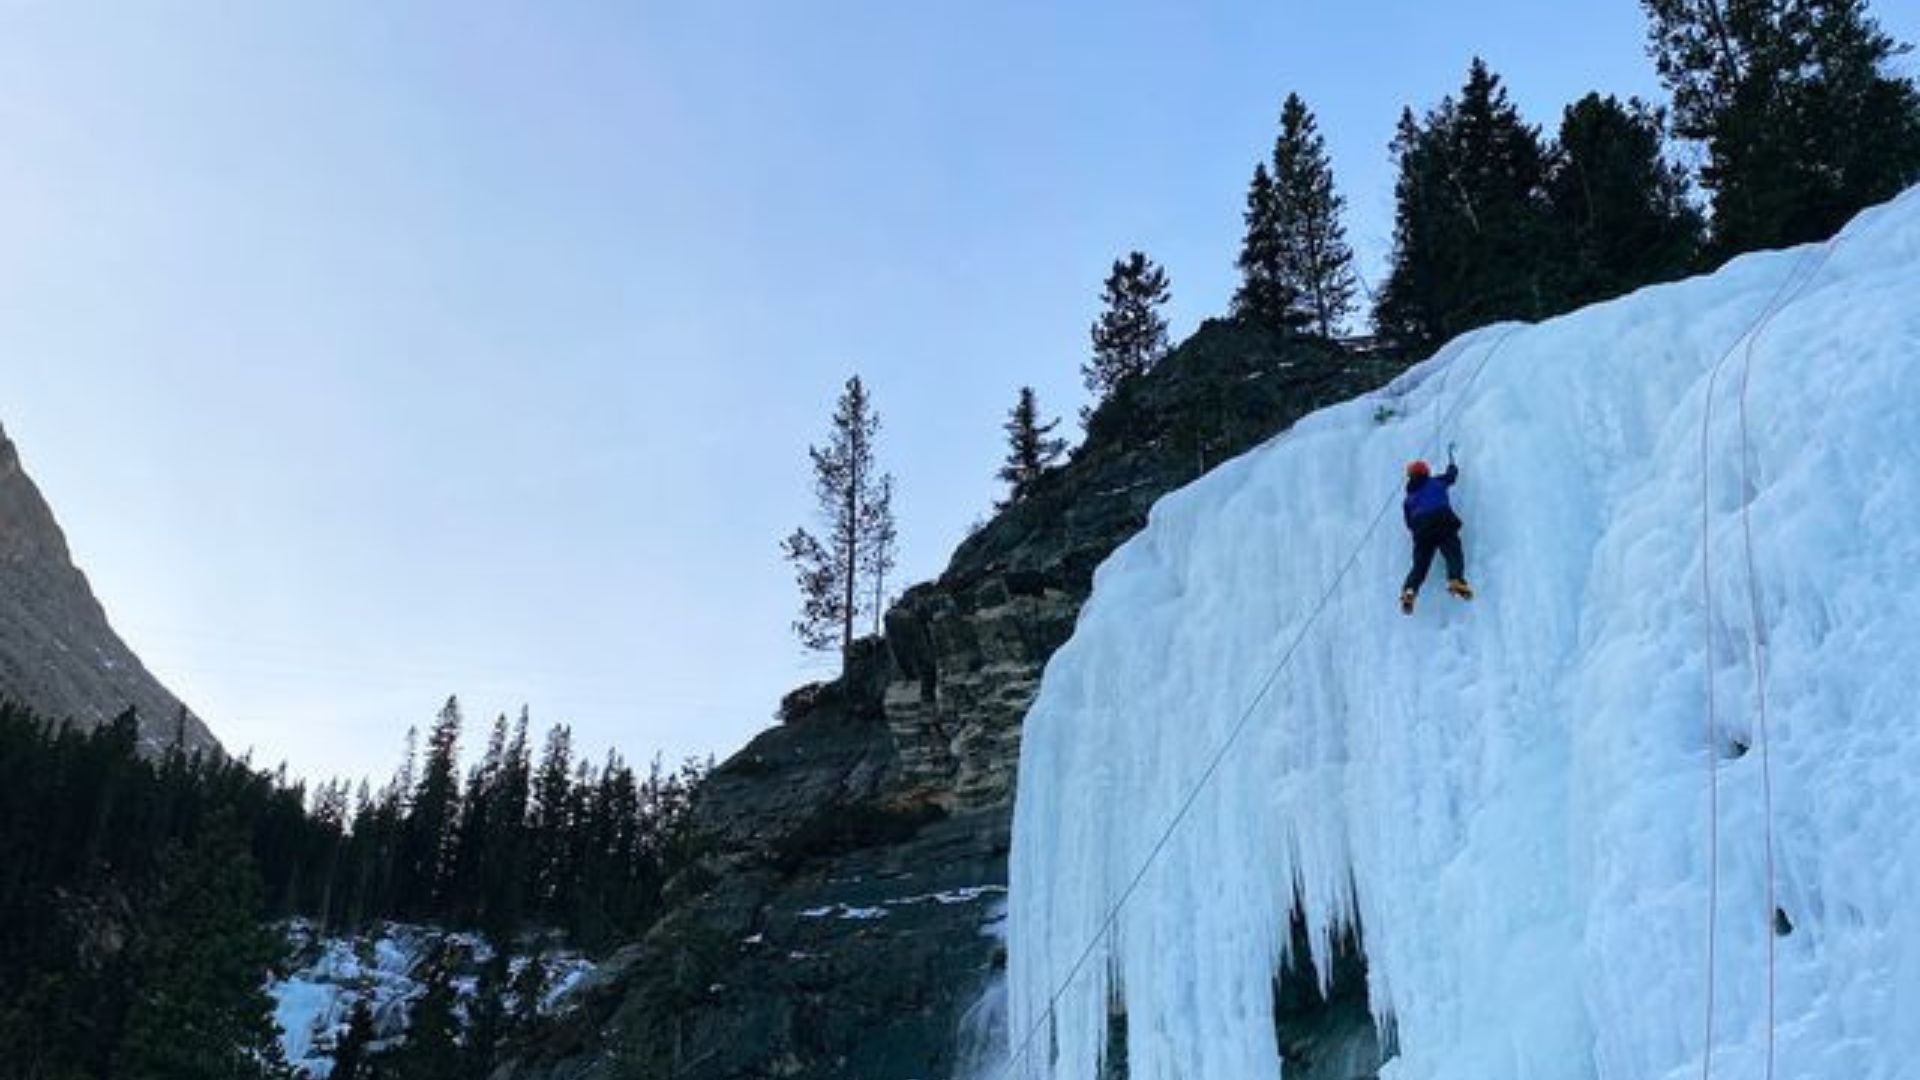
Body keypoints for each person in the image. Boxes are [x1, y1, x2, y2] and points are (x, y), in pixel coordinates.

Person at [1399, 452, 1473, 615]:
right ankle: (1456, 579)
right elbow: (1451, 477)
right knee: (1452, 551)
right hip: (1441, 520)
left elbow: (1409, 523)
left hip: (1421, 529)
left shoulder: (1408, 499)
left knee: (1420, 565)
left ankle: (1409, 591)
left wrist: (1421, 531)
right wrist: (1452, 466)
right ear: (1426, 472)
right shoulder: (1435, 481)